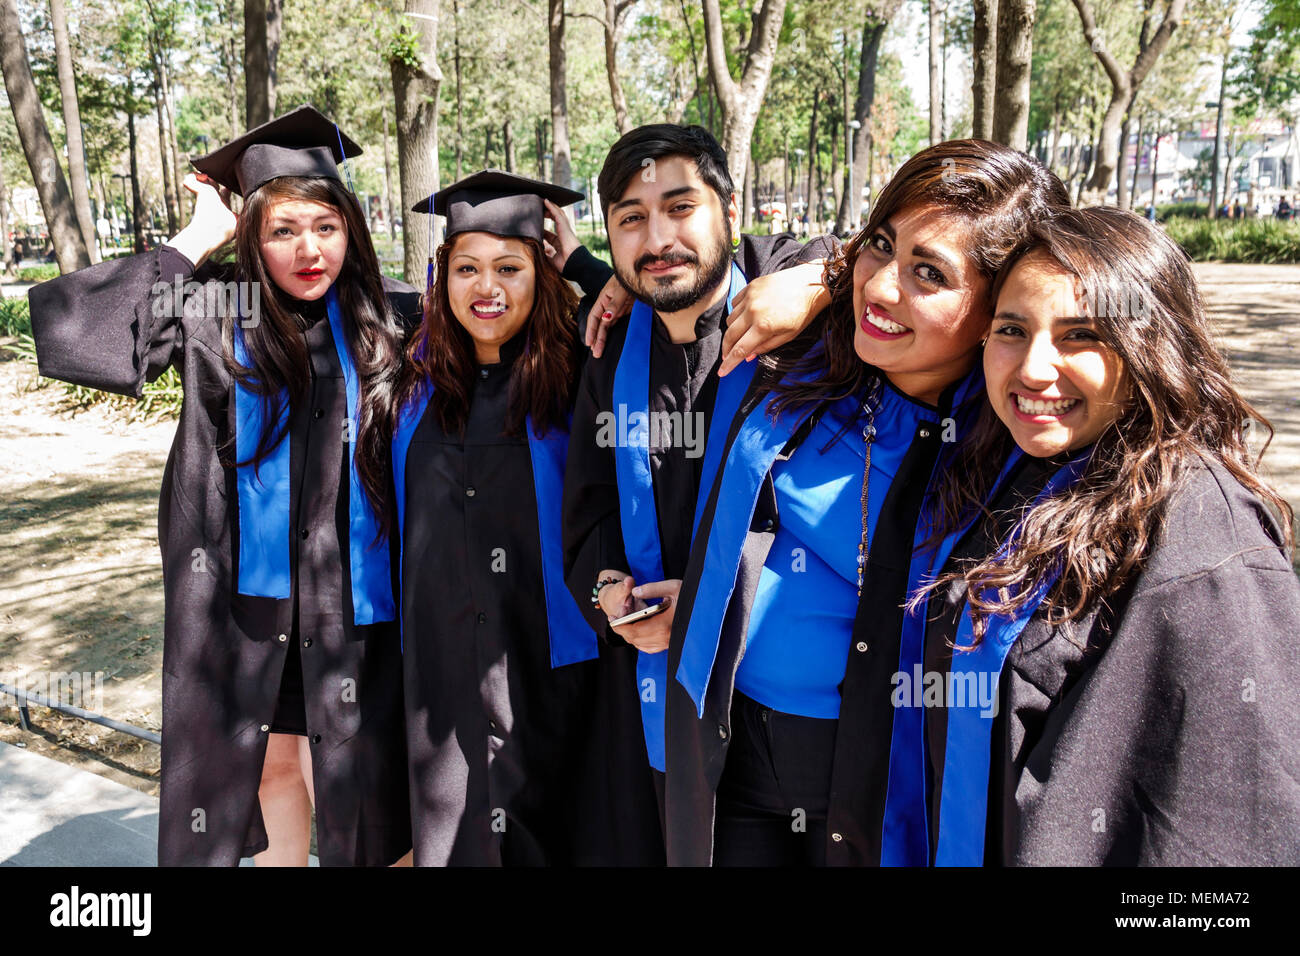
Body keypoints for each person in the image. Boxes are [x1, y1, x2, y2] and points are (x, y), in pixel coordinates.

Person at [662, 139, 1071, 866]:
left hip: (881, 778)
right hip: (731, 750)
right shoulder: (812, 356)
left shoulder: (1023, 447)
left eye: (929, 274)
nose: (881, 288)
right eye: (880, 246)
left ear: (997, 309)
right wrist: (819, 279)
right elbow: (677, 264)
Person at [28, 106, 416, 866]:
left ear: (352, 230)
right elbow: (78, 335)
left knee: (363, 793)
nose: (310, 249)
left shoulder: (392, 314)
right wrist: (192, 240)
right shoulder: (213, 309)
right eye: (283, 230)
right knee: (270, 765)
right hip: (245, 608)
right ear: (251, 236)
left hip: (360, 608)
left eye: (326, 227)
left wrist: (585, 277)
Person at [915, 206, 1300, 865]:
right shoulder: (1033, 469)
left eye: (1080, 335)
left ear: (1151, 347)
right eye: (1013, 329)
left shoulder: (1204, 542)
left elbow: (1231, 828)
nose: (1034, 368)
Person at [562, 123, 837, 862]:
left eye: (681, 207)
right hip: (676, 713)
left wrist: (819, 282)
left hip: (805, 715)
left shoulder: (803, 330)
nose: (659, 238)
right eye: (631, 219)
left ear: (729, 207)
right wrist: (610, 592)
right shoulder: (609, 353)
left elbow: (893, 261)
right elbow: (586, 513)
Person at [390, 170, 620, 865]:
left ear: (541, 276)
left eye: (509, 268)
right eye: (466, 268)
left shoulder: (587, 369)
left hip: (552, 659)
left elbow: (667, 314)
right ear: (442, 278)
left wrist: (583, 261)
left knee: (552, 834)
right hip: (439, 666)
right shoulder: (407, 376)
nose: (486, 288)